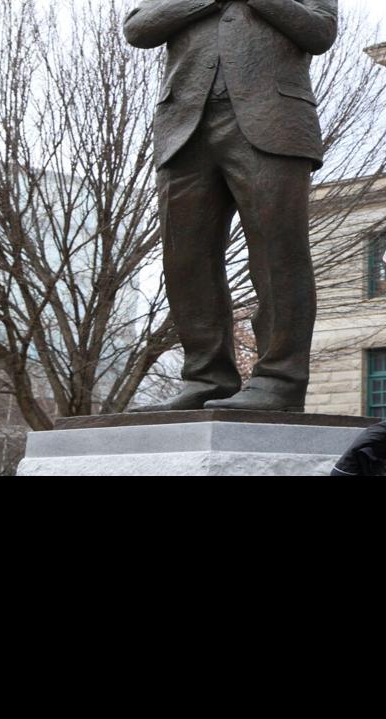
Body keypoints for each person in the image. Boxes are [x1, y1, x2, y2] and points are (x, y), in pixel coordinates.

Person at [124, 0, 338, 412]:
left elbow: (319, 32)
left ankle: (280, 379)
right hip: (185, 127)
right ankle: (207, 378)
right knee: (185, 259)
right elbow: (138, 29)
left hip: (274, 124)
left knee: (278, 254)